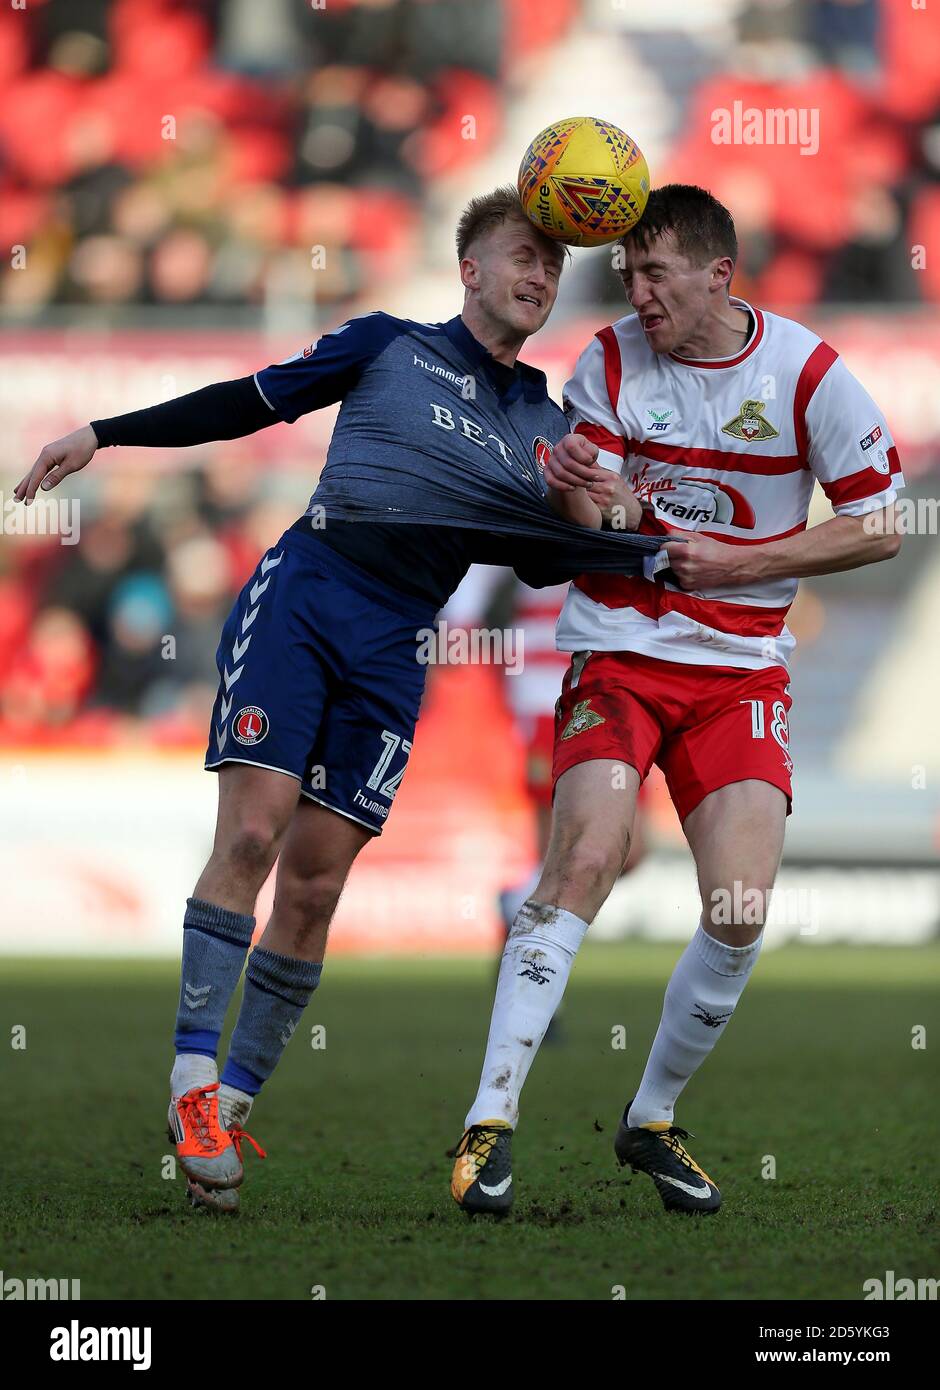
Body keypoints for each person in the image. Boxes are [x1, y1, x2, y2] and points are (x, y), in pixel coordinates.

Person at [16, 187, 653, 1214]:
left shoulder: (547, 418)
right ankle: (188, 1083)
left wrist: (622, 519)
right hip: (309, 594)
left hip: (401, 640)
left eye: (551, 265)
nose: (538, 276)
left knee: (315, 886)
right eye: (519, 256)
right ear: (470, 269)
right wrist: (103, 431)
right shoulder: (385, 344)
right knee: (254, 836)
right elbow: (248, 399)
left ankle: (233, 1102)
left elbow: (541, 562)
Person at [450, 183, 903, 1218]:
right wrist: (578, 485)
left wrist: (747, 563)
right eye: (628, 274)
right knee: (586, 857)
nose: (636, 293)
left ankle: (650, 1117)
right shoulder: (608, 361)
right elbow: (592, 505)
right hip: (618, 649)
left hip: (739, 669)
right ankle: (490, 1118)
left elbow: (879, 523)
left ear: (717, 274)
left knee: (739, 909)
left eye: (656, 275)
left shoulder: (808, 374)